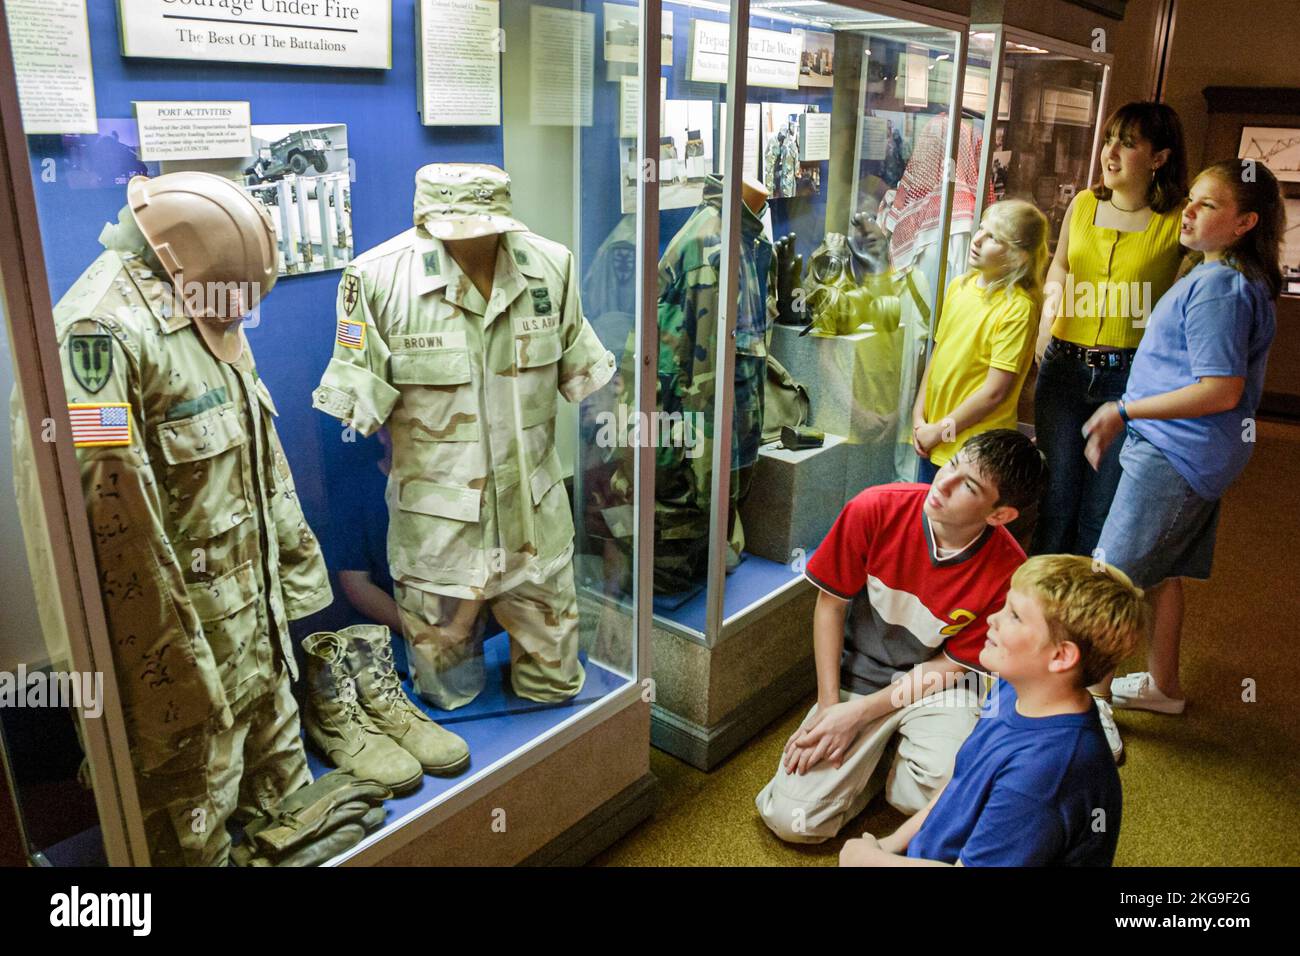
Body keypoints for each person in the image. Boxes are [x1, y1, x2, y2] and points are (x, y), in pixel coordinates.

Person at [1081, 159, 1283, 760]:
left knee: (1109, 579)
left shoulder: (1221, 286)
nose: (1188, 212)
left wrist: (1125, 410)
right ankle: (1163, 687)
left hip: (1177, 453)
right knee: (1163, 574)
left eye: (1208, 205)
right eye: (1191, 199)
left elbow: (1219, 388)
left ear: (1245, 222)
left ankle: (1087, 706)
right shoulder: (1226, 275)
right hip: (1198, 453)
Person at [755, 429, 1047, 843]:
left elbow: (951, 666)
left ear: (999, 515)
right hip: (860, 673)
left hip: (938, 689)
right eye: (952, 464)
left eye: (967, 485)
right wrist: (829, 707)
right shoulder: (874, 508)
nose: (941, 483)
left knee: (946, 789)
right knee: (792, 820)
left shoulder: (1008, 570)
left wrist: (860, 716)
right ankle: (876, 758)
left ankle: (885, 756)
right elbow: (831, 606)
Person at [839, 555, 1146, 867]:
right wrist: (889, 845)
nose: (992, 620)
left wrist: (867, 861)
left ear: (1061, 656)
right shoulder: (1014, 687)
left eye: (1014, 616)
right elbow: (961, 781)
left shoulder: (1046, 773)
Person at [1031, 103, 1188, 557]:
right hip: (1062, 369)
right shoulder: (1083, 203)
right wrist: (1046, 327)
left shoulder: (1179, 218)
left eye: (1128, 142)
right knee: (1055, 500)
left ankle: (1084, 618)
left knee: (1102, 509)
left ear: (1159, 158)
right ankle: (1037, 612)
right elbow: (1059, 265)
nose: (1110, 151)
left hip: (1129, 379)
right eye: (1109, 139)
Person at [911, 199, 1049, 482]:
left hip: (974, 451)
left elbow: (994, 393)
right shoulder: (959, 286)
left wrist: (939, 431)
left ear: (1019, 257)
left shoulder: (1017, 307)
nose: (977, 240)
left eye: (994, 238)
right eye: (982, 229)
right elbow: (938, 355)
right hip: (934, 441)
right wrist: (918, 418)